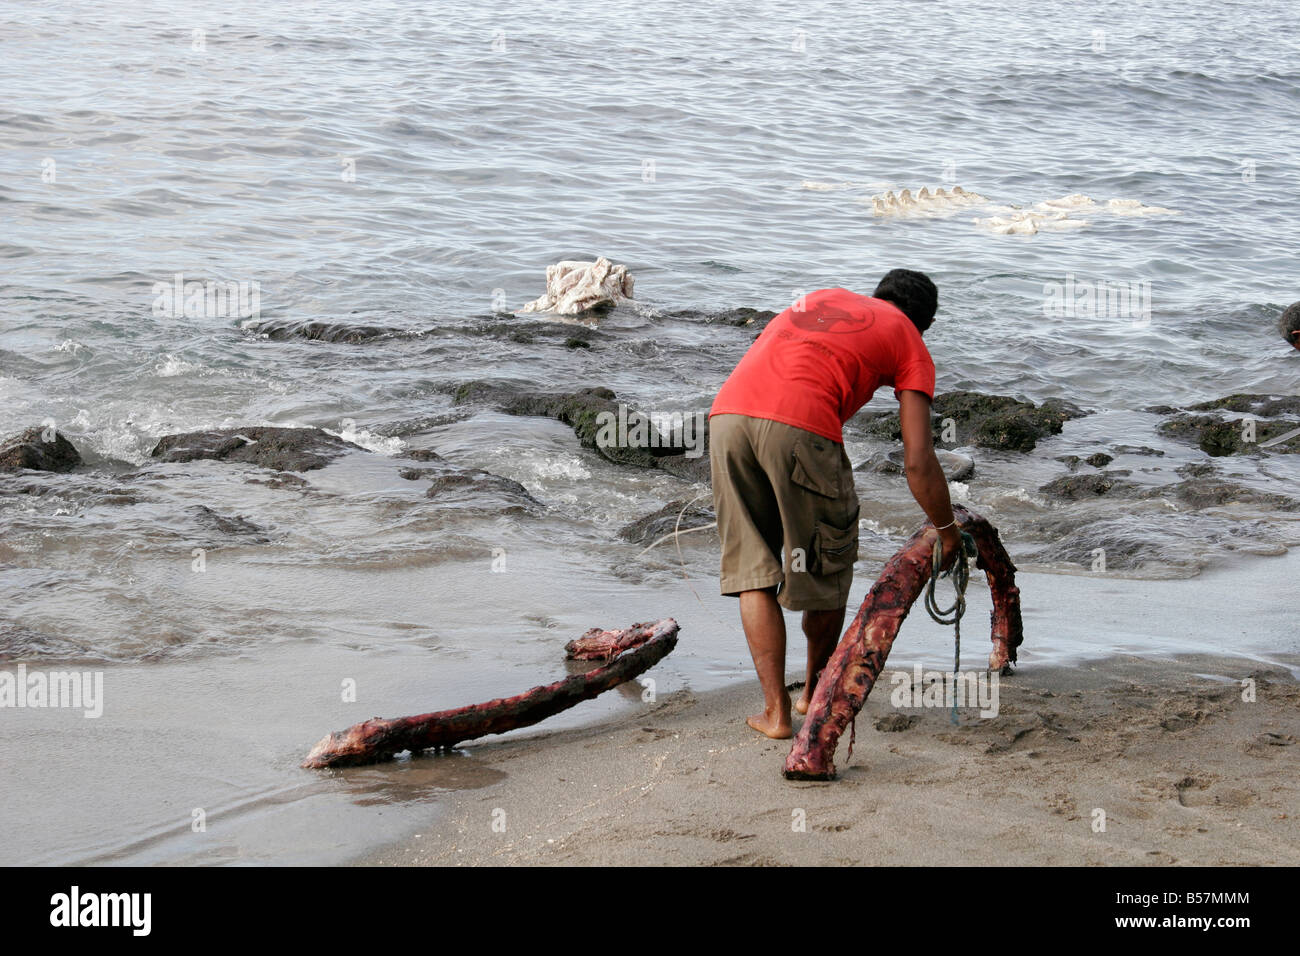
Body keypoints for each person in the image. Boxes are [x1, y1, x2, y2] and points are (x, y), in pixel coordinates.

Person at [708, 269, 961, 739]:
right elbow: (919, 462)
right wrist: (947, 531)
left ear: (876, 295)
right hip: (801, 428)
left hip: (726, 418)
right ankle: (813, 694)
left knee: (752, 571)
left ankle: (775, 714)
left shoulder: (826, 298)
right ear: (924, 323)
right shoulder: (910, 340)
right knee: (827, 567)